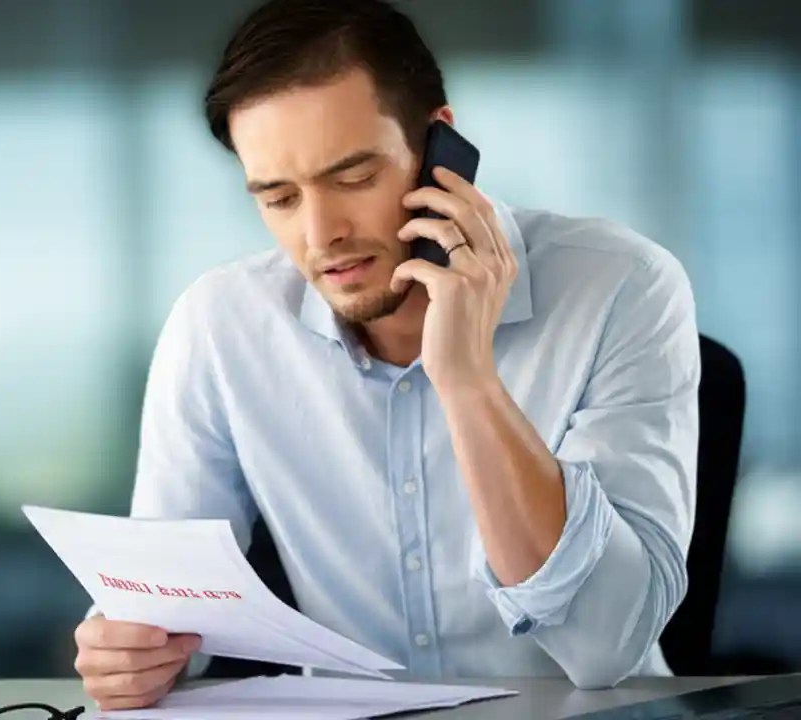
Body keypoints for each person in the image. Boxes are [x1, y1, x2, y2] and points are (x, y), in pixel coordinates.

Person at [73, 0, 699, 710]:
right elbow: (166, 606)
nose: (321, 233)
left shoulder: (621, 288)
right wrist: (133, 649)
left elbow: (605, 647)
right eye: (278, 197)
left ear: (440, 149)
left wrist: (466, 379)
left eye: (354, 177)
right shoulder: (221, 327)